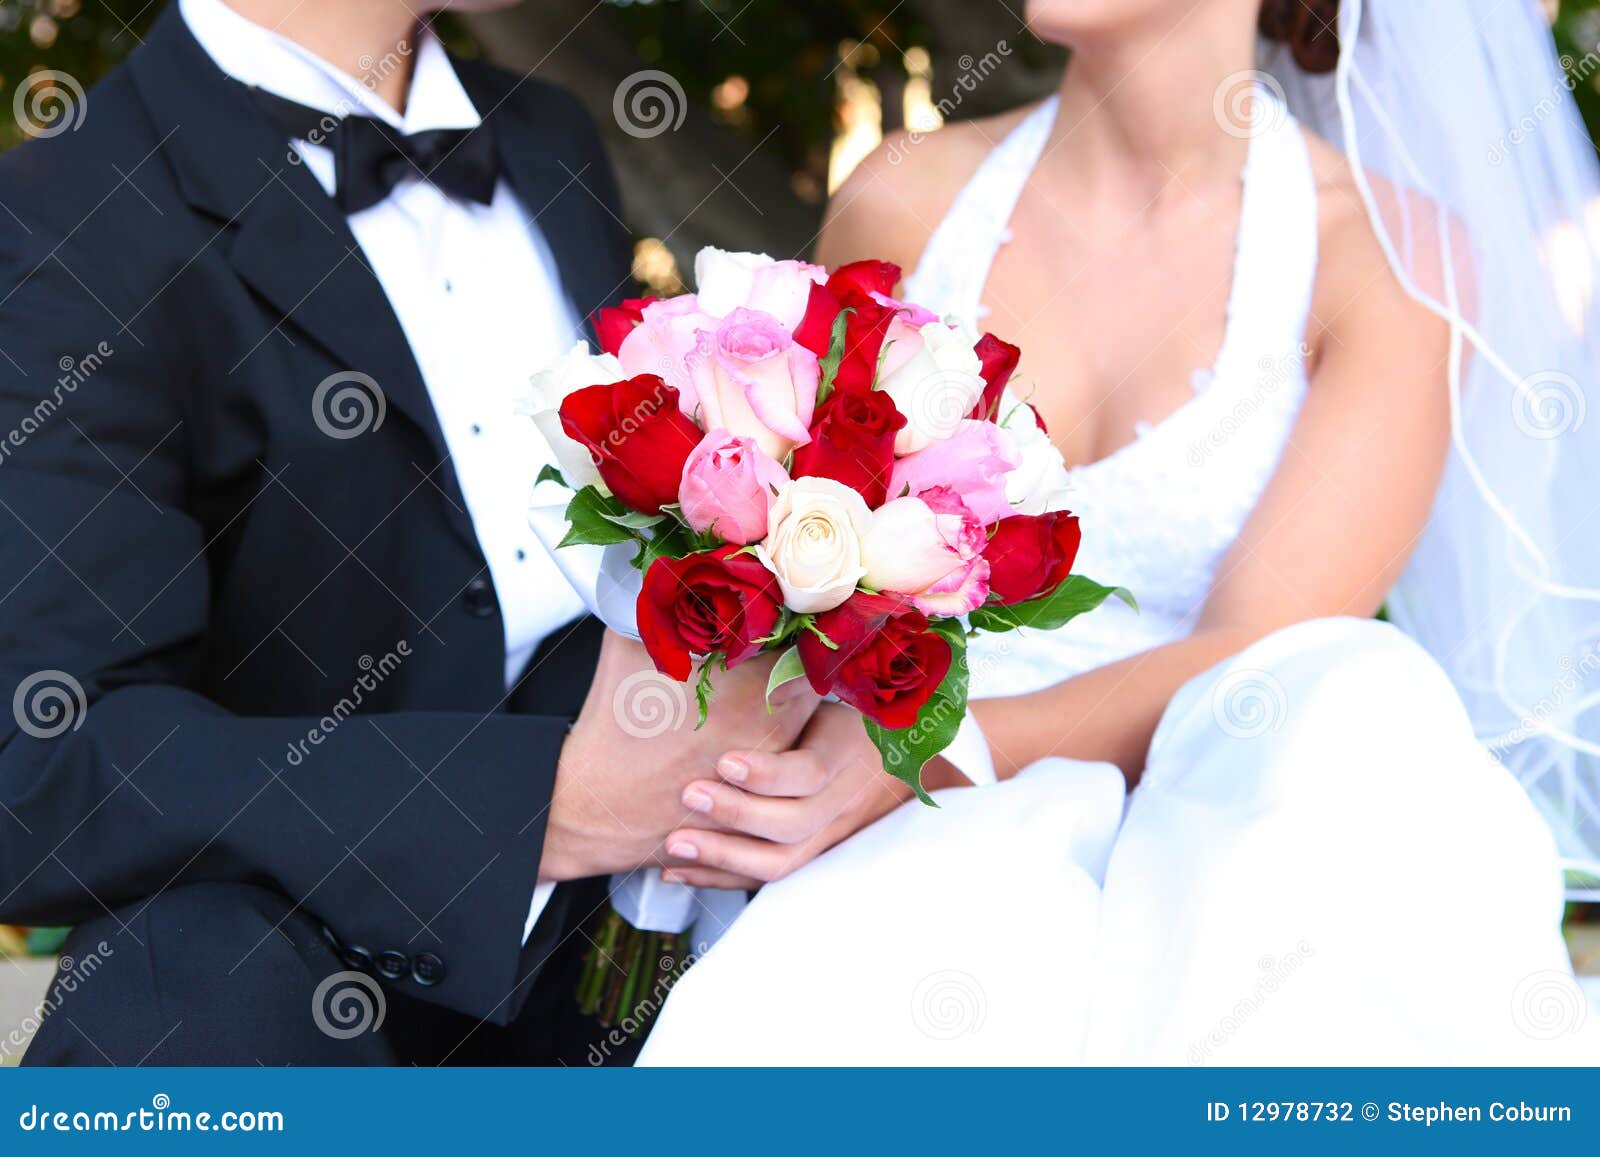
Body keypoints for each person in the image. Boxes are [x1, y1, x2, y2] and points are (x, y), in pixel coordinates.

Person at [639, 0, 1600, 1063]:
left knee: (1362, 693)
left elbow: (1273, 663)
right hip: (863, 809)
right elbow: (794, 541)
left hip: (1210, 825)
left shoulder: (1386, 258)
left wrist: (922, 747)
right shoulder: (904, 197)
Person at [0, 0, 850, 1065]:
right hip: (324, 987)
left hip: (674, 925)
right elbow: (40, 763)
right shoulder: (67, 207)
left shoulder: (546, 136)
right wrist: (531, 812)